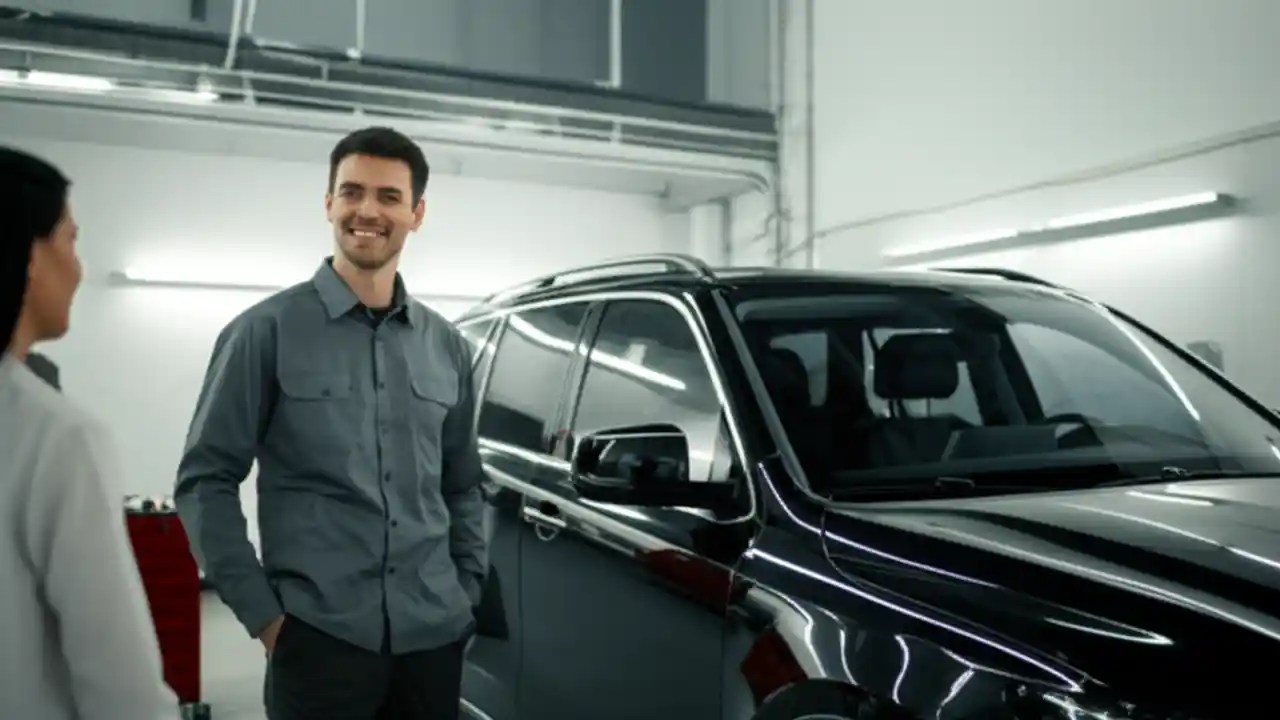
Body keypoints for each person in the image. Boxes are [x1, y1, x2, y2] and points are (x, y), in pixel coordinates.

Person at [175, 126, 488, 719]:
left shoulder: (447, 347)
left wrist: (466, 590)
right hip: (318, 641)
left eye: (389, 197)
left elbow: (462, 483)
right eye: (352, 192)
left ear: (417, 214)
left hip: (432, 638)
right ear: (328, 204)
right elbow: (205, 480)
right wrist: (264, 617)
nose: (368, 210)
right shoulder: (262, 333)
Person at [0, 147, 179, 718]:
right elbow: (119, 681)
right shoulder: (55, 436)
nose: (78, 267)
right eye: (70, 241)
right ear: (31, 257)